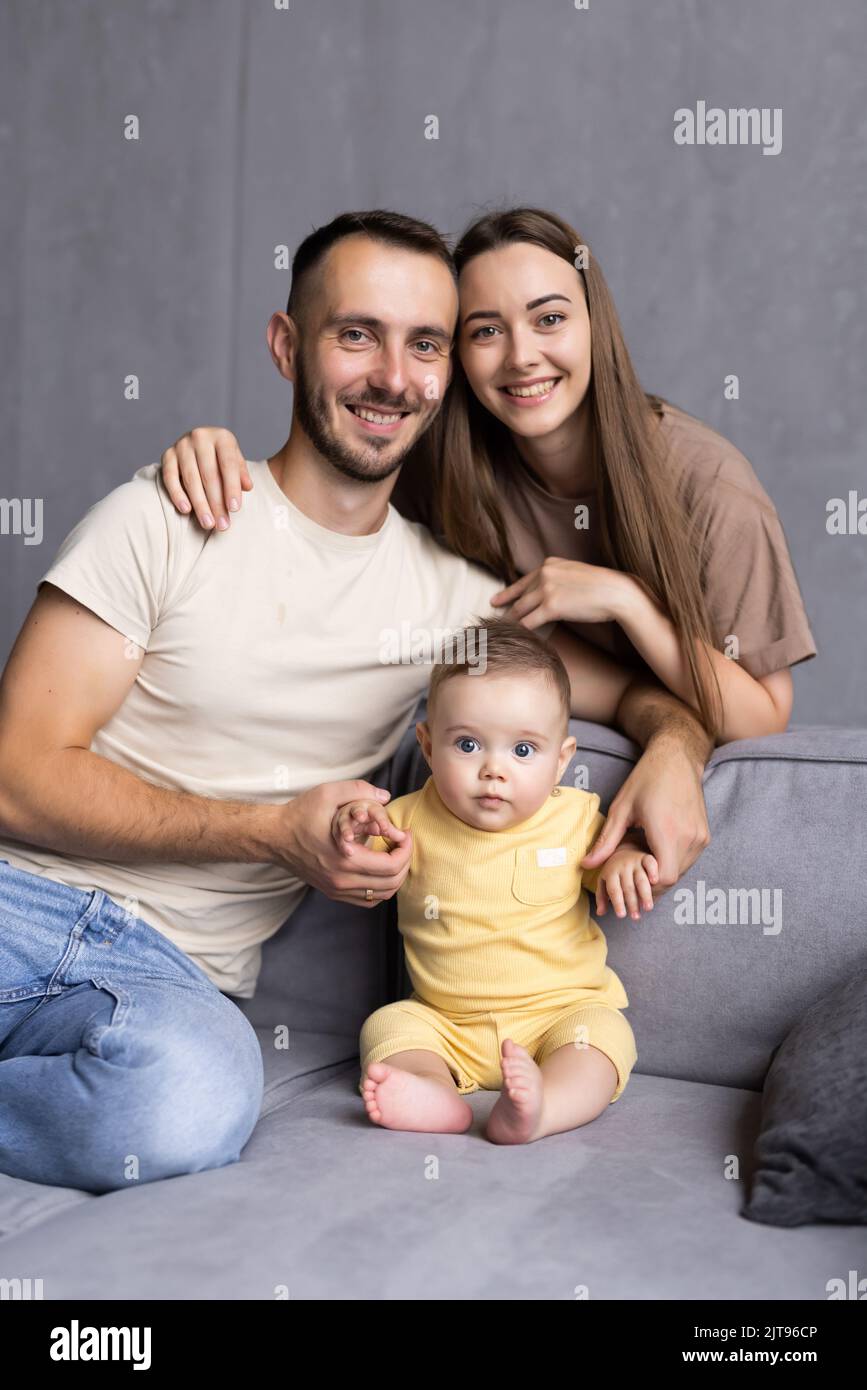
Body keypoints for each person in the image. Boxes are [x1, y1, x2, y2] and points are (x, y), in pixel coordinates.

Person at [0, 210, 709, 1193]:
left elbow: (651, 694)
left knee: (187, 1104)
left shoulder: (456, 607)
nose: (393, 375)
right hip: (15, 901)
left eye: (425, 344)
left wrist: (677, 751)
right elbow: (16, 778)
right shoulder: (166, 513)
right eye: (356, 334)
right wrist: (271, 832)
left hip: (159, 981)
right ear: (288, 346)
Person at [167, 207, 816, 744]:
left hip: (661, 760)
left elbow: (762, 720)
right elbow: (321, 509)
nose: (521, 356)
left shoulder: (708, 483)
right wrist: (214, 453)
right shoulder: (441, 457)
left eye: (549, 319)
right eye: (485, 332)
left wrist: (627, 604)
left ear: (597, 329)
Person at [344, 618, 659, 1143]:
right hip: (446, 1023)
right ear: (427, 746)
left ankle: (544, 1106)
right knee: (389, 1027)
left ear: (561, 761)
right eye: (467, 745)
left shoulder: (577, 819)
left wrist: (626, 857)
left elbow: (611, 857)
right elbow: (355, 858)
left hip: (558, 1018)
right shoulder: (405, 820)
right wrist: (353, 826)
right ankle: (433, 1092)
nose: (493, 770)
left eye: (522, 751)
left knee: (605, 1035)